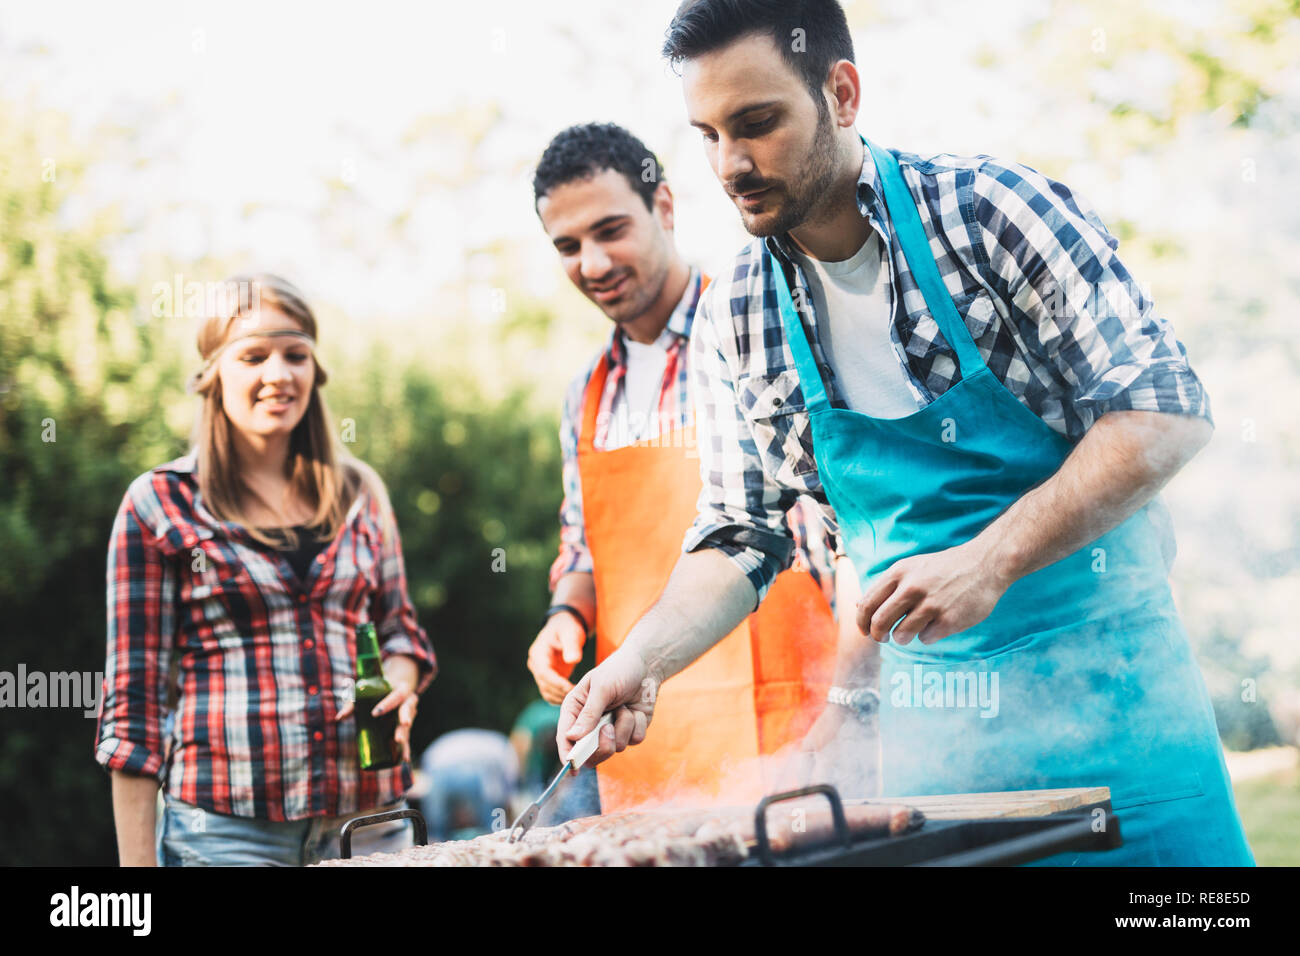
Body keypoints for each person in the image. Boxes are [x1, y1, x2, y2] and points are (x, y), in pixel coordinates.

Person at [558, 0, 1254, 866]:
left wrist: (989, 559)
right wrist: (644, 659)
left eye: (757, 124)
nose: (730, 164)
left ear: (841, 92)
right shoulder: (736, 311)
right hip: (935, 760)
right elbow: (741, 532)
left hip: (1123, 724)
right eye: (706, 134)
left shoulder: (994, 213)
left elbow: (1165, 409)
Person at [529, 122, 867, 810]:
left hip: (793, 724)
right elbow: (582, 546)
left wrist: (855, 702)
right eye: (568, 246)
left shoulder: (755, 328)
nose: (592, 263)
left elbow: (846, 528)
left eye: (610, 230)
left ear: (664, 208)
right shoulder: (585, 395)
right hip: (648, 743)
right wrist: (567, 610)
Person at [96, 274, 437, 866]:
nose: (278, 373)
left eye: (295, 354)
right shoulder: (158, 503)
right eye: (253, 355)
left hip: (372, 824)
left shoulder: (361, 493)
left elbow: (399, 631)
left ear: (315, 370)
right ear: (214, 374)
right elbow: (134, 706)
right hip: (225, 834)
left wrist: (400, 682)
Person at [419, 728, 517, 841]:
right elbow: (501, 794)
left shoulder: (496, 742)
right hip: (466, 769)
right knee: (490, 829)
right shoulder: (507, 750)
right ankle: (496, 845)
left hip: (435, 765)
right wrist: (504, 824)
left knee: (437, 830)